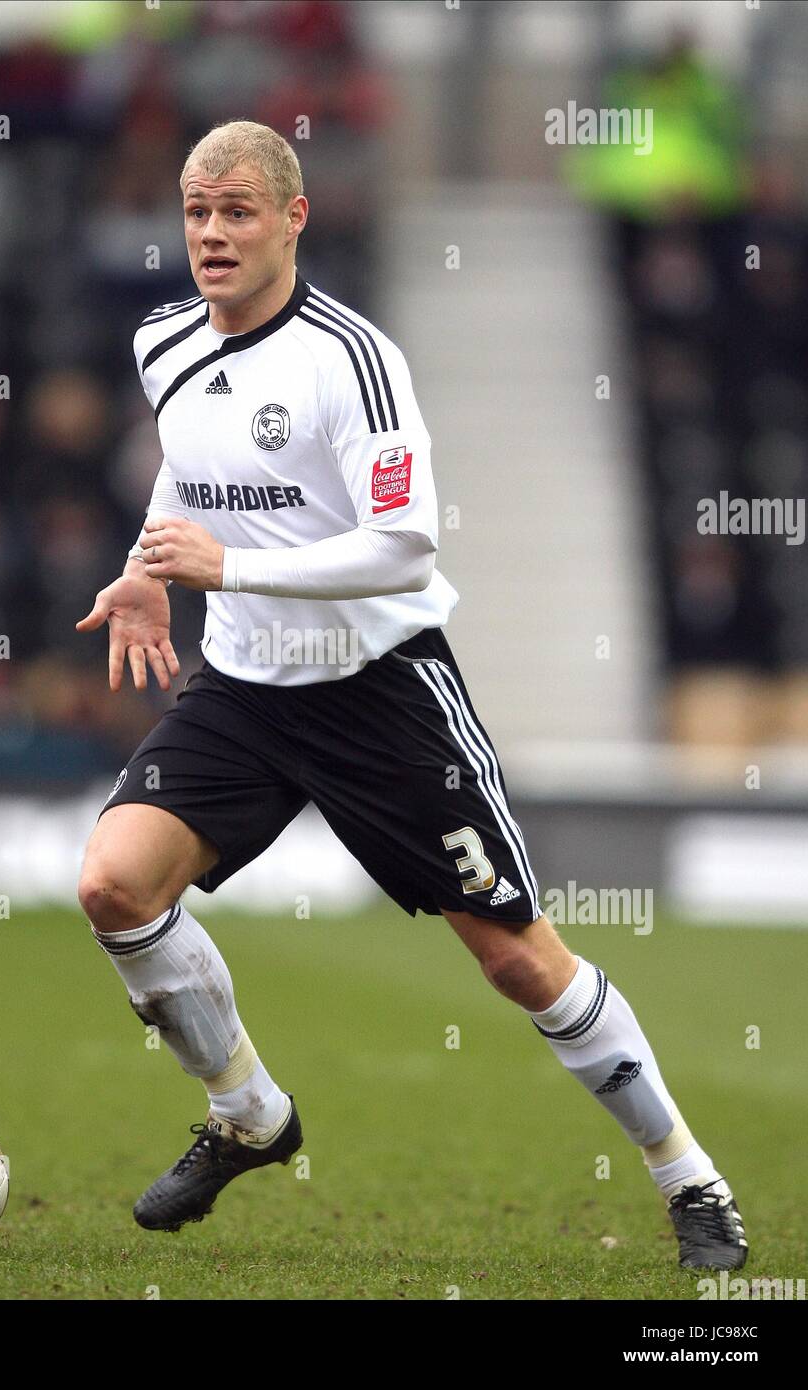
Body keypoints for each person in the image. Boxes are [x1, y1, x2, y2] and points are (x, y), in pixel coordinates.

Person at [76, 120, 746, 1271]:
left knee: (516, 959)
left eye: (237, 211)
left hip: (378, 688)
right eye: (195, 212)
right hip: (242, 687)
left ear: (293, 218)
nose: (210, 235)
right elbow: (190, 475)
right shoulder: (160, 343)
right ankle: (249, 1114)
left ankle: (689, 1179)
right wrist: (145, 577)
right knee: (112, 884)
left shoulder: (353, 360)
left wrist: (222, 569)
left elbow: (399, 548)